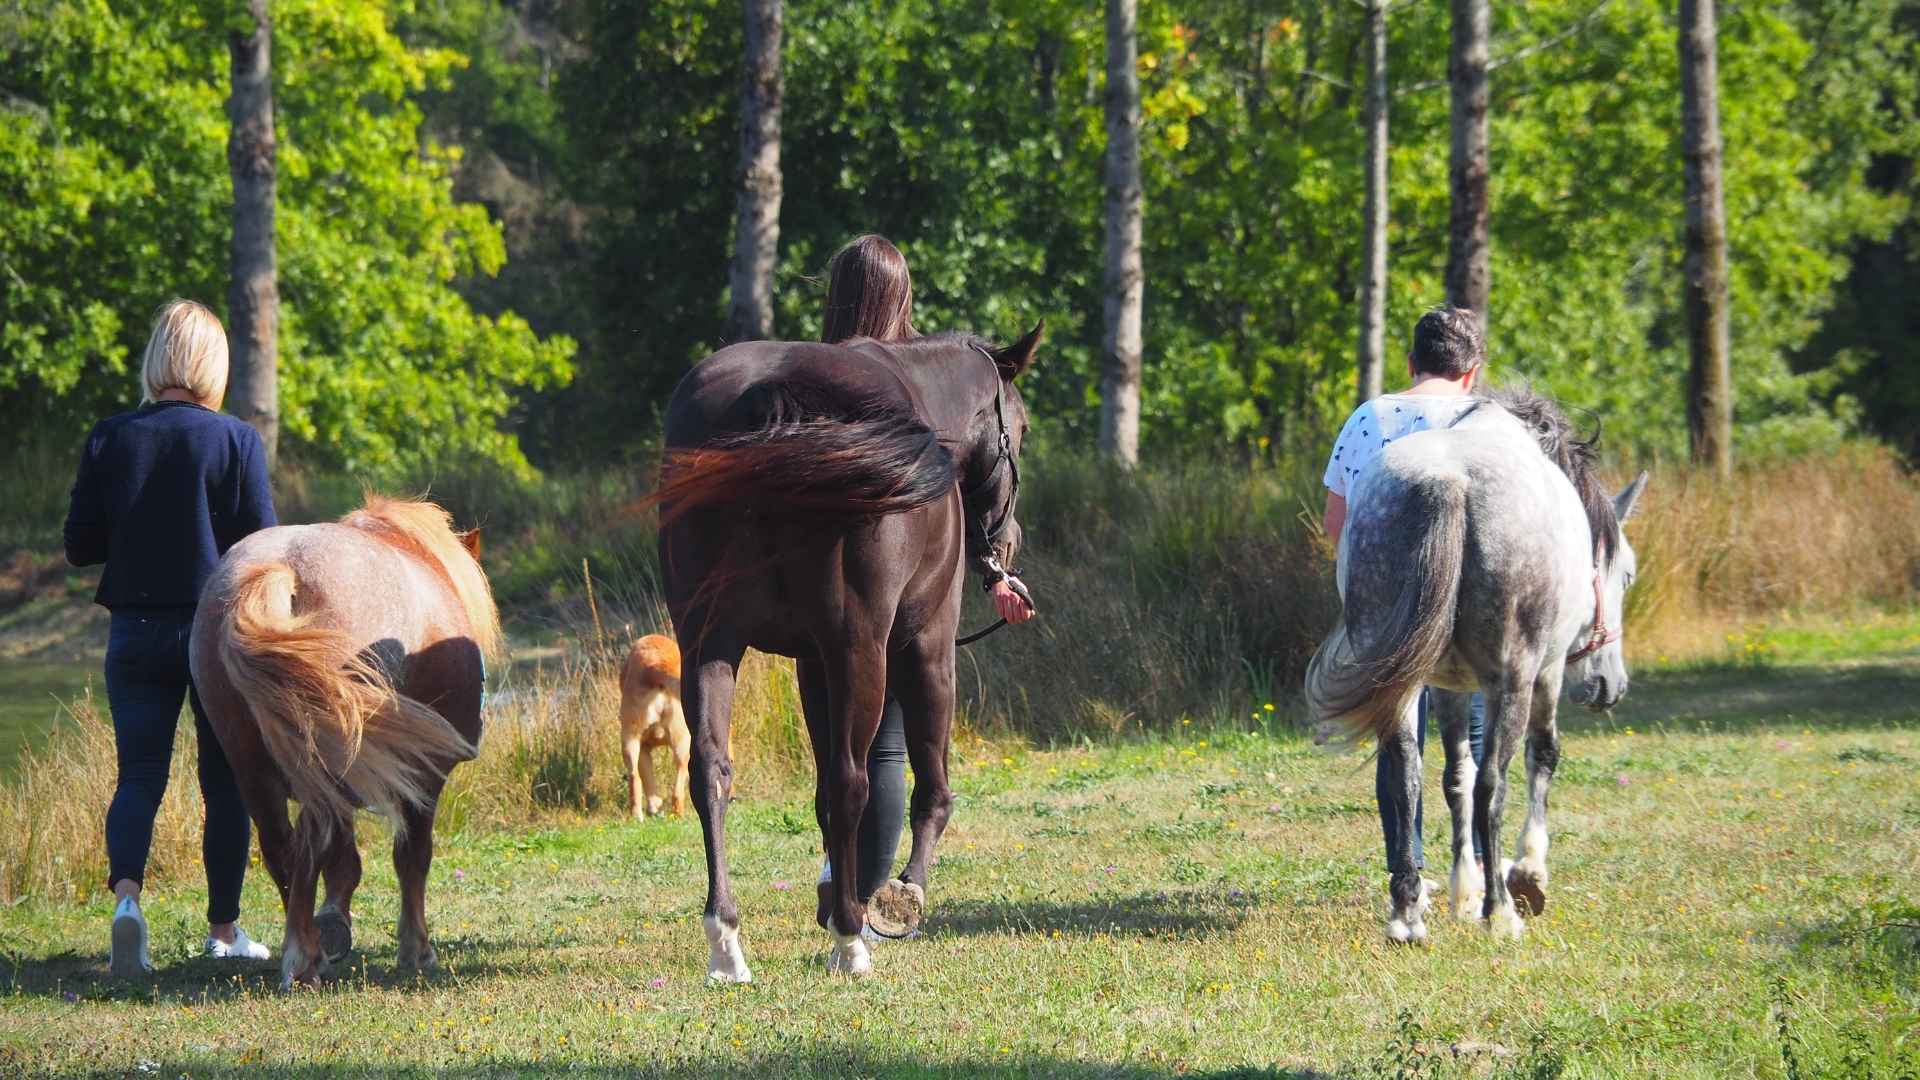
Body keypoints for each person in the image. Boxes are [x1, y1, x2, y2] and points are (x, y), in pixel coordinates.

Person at [816, 235, 1033, 939]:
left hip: (818, 601)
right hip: (911, 598)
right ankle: (868, 897)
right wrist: (995, 566)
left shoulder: (814, 379)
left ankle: (841, 871)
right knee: (885, 745)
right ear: (902, 295)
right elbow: (979, 478)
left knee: (840, 746)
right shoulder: (933, 376)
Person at [65, 300, 278, 976]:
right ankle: (224, 931)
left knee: (139, 776)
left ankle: (127, 904)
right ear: (215, 365)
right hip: (215, 634)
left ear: (156, 358)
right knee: (226, 782)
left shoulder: (109, 437)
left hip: (134, 630)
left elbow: (79, 546)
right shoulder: (236, 441)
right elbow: (264, 549)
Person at [1321, 306, 1488, 905]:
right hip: (1477, 600)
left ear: (1412, 362)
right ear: (1472, 371)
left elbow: (1336, 527)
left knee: (1398, 731)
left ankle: (1408, 869)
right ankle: (1479, 858)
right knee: (1476, 723)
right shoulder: (1488, 423)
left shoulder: (1369, 419)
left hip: (1390, 604)